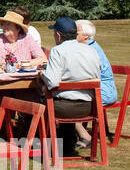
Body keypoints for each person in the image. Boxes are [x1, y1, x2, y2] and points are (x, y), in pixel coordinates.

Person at [43, 16, 104, 153]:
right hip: (88, 107)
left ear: (58, 35)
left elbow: (52, 82)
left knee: (39, 100)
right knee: (64, 97)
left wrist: (42, 75)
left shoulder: (57, 51)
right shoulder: (91, 50)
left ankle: (38, 145)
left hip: (62, 108)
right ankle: (67, 148)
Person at [76, 19, 119, 109]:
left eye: (76, 31)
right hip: (96, 90)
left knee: (67, 101)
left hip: (104, 93)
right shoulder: (88, 47)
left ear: (86, 36)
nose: (73, 34)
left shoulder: (90, 50)